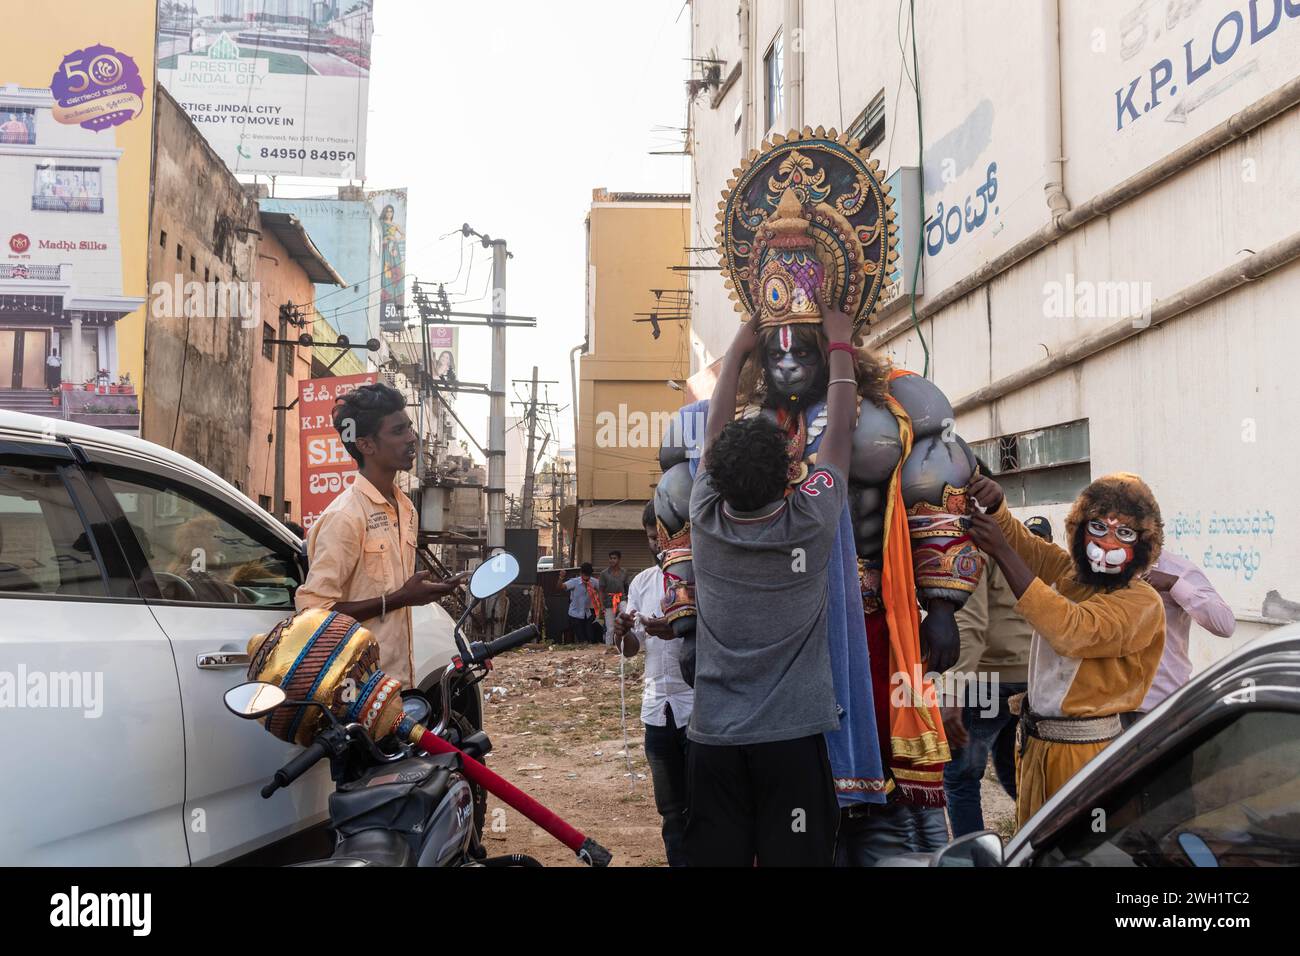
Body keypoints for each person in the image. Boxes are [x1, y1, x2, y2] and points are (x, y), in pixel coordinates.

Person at [651, 137, 985, 866]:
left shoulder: (897, 408)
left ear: (842, 336)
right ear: (763, 354)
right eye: (777, 350)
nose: (792, 359)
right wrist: (683, 616)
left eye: (809, 346)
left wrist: (940, 605)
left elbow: (934, 494)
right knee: (801, 782)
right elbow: (678, 506)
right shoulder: (744, 434)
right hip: (791, 649)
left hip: (872, 623)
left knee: (879, 790)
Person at [681, 281, 858, 868]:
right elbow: (839, 438)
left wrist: (738, 349)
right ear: (791, 474)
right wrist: (841, 345)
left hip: (714, 743)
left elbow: (716, 428)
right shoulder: (809, 520)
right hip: (790, 742)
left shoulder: (705, 517)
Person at [967, 470, 1166, 829]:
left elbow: (1071, 630)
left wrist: (999, 549)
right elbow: (1026, 548)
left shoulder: (1142, 602)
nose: (1107, 544)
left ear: (1144, 542)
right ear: (1079, 530)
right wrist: (997, 507)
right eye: (1098, 529)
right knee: (1037, 844)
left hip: (1085, 756)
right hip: (1037, 745)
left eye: (1123, 533)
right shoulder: (1072, 575)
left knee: (1074, 849)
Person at [297, 383, 465, 686]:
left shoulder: (405, 508)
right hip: (354, 691)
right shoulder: (345, 516)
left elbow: (388, 590)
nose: (411, 438)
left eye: (410, 428)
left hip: (397, 685)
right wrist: (400, 598)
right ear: (366, 445)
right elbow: (314, 614)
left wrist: (420, 592)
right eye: (398, 431)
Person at [939, 496, 1035, 838]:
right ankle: (1042, 845)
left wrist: (951, 691)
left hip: (987, 680)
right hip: (1027, 677)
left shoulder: (971, 543)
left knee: (961, 779)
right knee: (1013, 773)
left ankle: (972, 858)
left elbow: (971, 623)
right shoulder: (1020, 538)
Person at [613, 502, 692, 866]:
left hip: (696, 711)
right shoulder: (643, 582)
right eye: (650, 538)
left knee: (706, 806)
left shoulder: (699, 577)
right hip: (656, 712)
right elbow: (632, 649)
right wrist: (623, 631)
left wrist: (679, 628)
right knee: (671, 811)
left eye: (663, 537)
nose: (658, 546)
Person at [1122, 550, 1235, 729]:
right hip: (1107, 707)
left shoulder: (1179, 570)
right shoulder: (1097, 568)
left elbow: (1225, 624)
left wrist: (1174, 584)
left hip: (1161, 706)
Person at [562, 562, 601, 644]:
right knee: (582, 639)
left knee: (590, 637)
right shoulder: (574, 582)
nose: (586, 579)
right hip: (575, 614)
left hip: (587, 613)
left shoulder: (593, 582)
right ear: (581, 573)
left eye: (588, 577)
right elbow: (561, 587)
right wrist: (560, 578)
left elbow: (602, 589)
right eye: (584, 577)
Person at [597, 550, 630, 646]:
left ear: (619, 560)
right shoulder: (604, 573)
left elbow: (627, 587)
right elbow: (601, 590)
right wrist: (602, 605)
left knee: (626, 616)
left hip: (622, 598)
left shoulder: (624, 572)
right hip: (608, 601)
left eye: (614, 558)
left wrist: (628, 600)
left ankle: (625, 644)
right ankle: (609, 647)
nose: (612, 560)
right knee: (610, 628)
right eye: (610, 558)